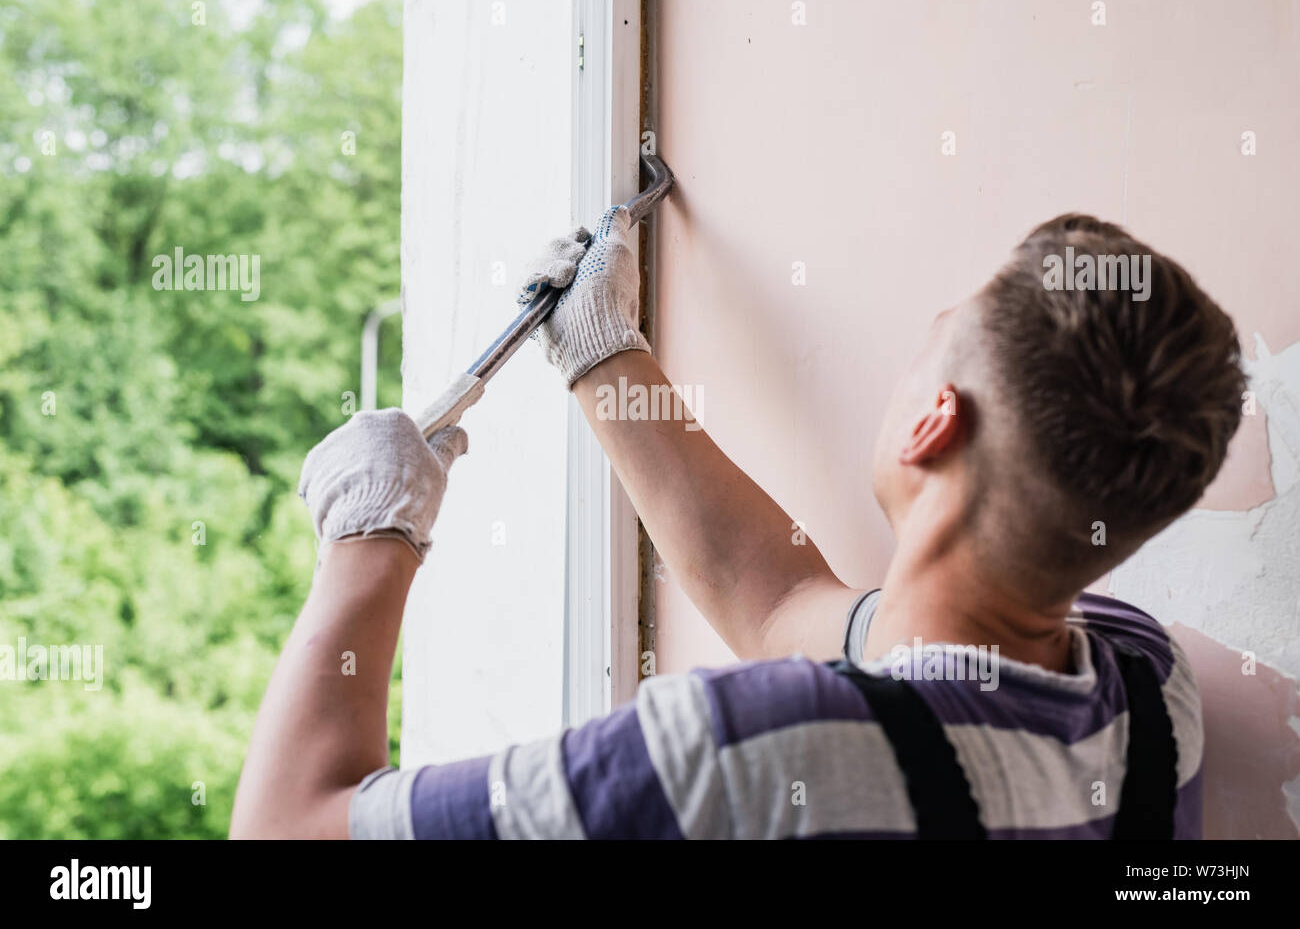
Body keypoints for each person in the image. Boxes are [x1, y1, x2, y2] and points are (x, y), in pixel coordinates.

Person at [231, 209, 1244, 839]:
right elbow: (786, 602)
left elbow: (287, 830)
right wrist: (604, 360)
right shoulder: (1145, 693)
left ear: (934, 423)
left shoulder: (748, 754)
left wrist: (372, 539)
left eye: (934, 340)